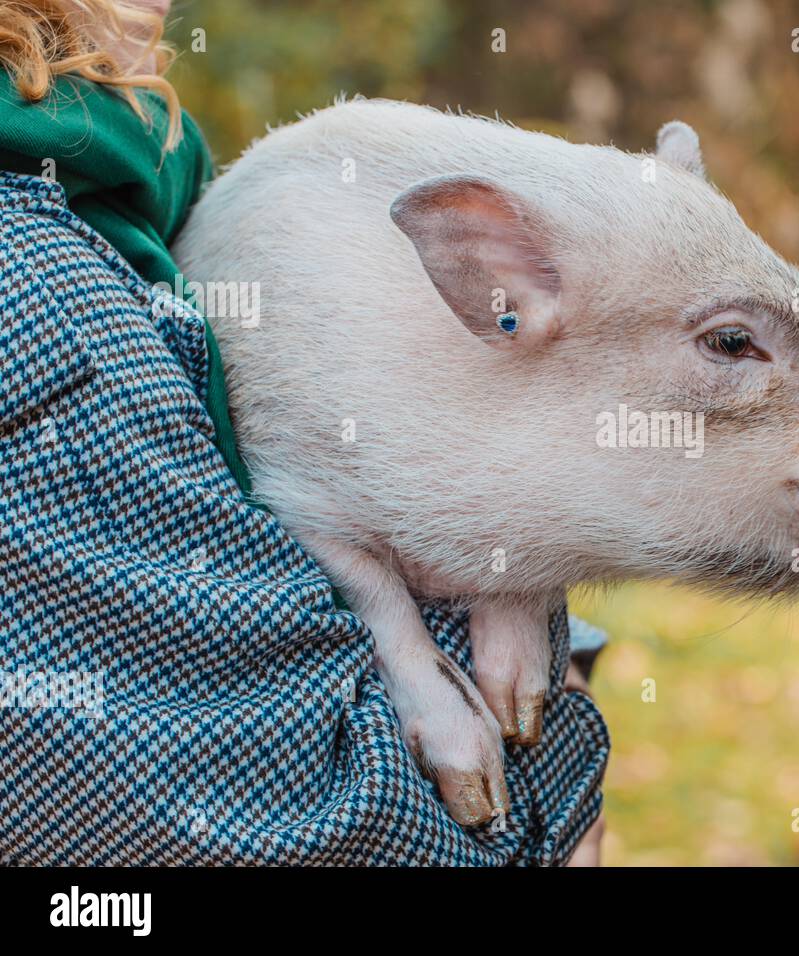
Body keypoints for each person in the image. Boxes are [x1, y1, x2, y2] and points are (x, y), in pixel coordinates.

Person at [0, 0, 606, 866]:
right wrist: (549, 793)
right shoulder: (37, 284)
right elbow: (209, 799)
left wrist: (524, 589)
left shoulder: (145, 177)